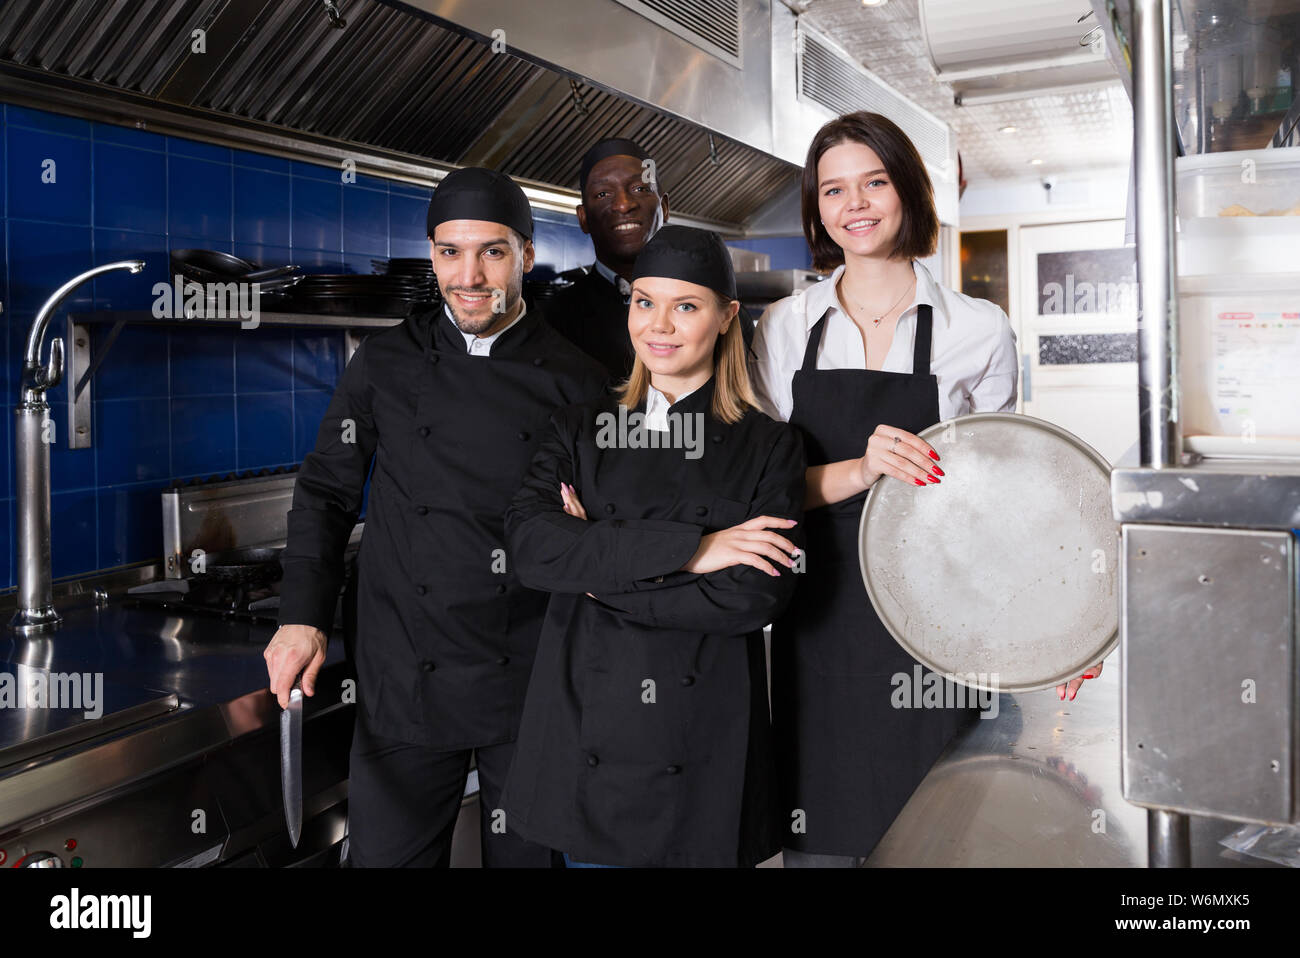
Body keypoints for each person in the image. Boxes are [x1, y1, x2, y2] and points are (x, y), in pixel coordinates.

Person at [749, 111, 1102, 868]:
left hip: (946, 622)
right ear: (816, 208)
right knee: (823, 843)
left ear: (907, 189)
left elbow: (1005, 504)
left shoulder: (977, 328)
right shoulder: (782, 328)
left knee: (945, 837)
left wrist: (1070, 626)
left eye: (874, 182)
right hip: (820, 623)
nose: (855, 204)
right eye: (833, 189)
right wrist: (859, 470)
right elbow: (763, 491)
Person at [263, 167, 607, 867]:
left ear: (527, 255)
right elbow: (327, 491)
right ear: (432, 255)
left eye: (492, 252)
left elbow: (600, 524)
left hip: (528, 669)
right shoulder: (385, 362)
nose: (469, 276)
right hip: (405, 665)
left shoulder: (578, 380)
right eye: (450, 252)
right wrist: (301, 617)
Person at [500, 225, 806, 867]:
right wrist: (697, 551)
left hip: (702, 754)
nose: (659, 326)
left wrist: (595, 569)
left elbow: (754, 596)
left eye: (685, 306)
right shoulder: (579, 428)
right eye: (645, 302)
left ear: (727, 316)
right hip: (589, 742)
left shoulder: (769, 445)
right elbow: (532, 549)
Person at [545, 137, 668, 379]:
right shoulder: (552, 322)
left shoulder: (709, 308)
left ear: (664, 208)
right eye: (602, 193)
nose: (623, 205)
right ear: (583, 218)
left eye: (640, 189)